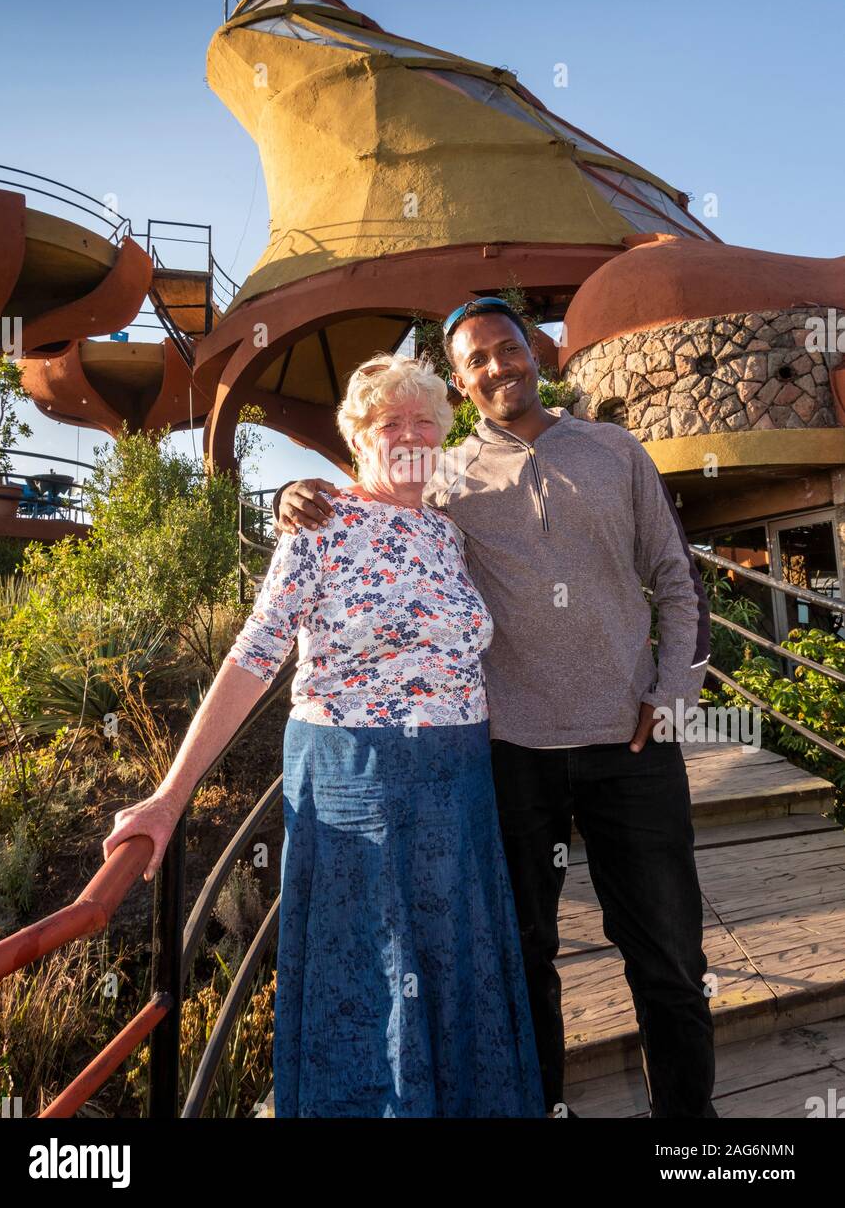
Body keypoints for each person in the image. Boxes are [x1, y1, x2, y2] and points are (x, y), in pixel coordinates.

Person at [274, 297, 717, 1119]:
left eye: (505, 349)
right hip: (510, 752)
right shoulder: (444, 477)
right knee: (522, 958)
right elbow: (377, 492)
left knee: (670, 959)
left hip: (633, 744)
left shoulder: (617, 452)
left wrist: (674, 693)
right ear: (461, 381)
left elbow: (678, 577)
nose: (495, 367)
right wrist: (299, 496)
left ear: (534, 352)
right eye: (475, 360)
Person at [103, 351, 544, 1119]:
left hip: (459, 784)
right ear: (360, 440)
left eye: (424, 423)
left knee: (451, 960)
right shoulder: (322, 524)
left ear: (441, 438)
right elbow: (253, 655)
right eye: (389, 423)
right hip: (356, 784)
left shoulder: (447, 535)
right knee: (371, 968)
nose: (409, 435)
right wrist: (170, 796)